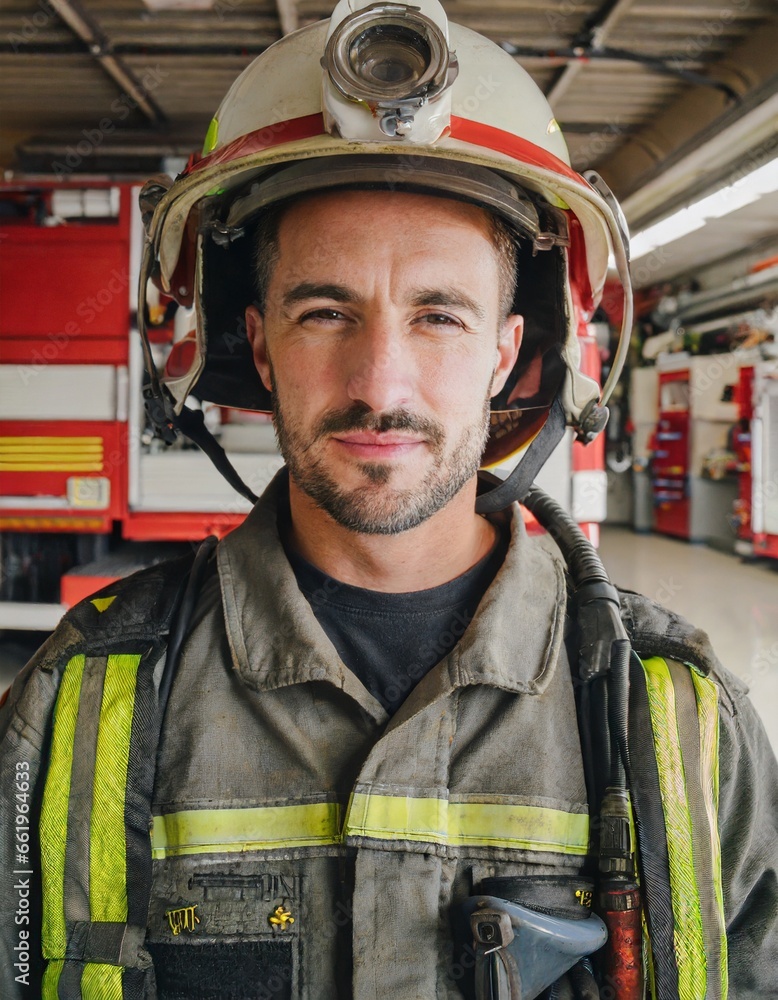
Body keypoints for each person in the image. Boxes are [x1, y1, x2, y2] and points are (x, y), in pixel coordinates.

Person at [1, 2, 777, 997]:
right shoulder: (83, 698)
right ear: (255, 340)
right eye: (325, 311)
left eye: (439, 316)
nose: (382, 382)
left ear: (508, 350)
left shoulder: (677, 717)